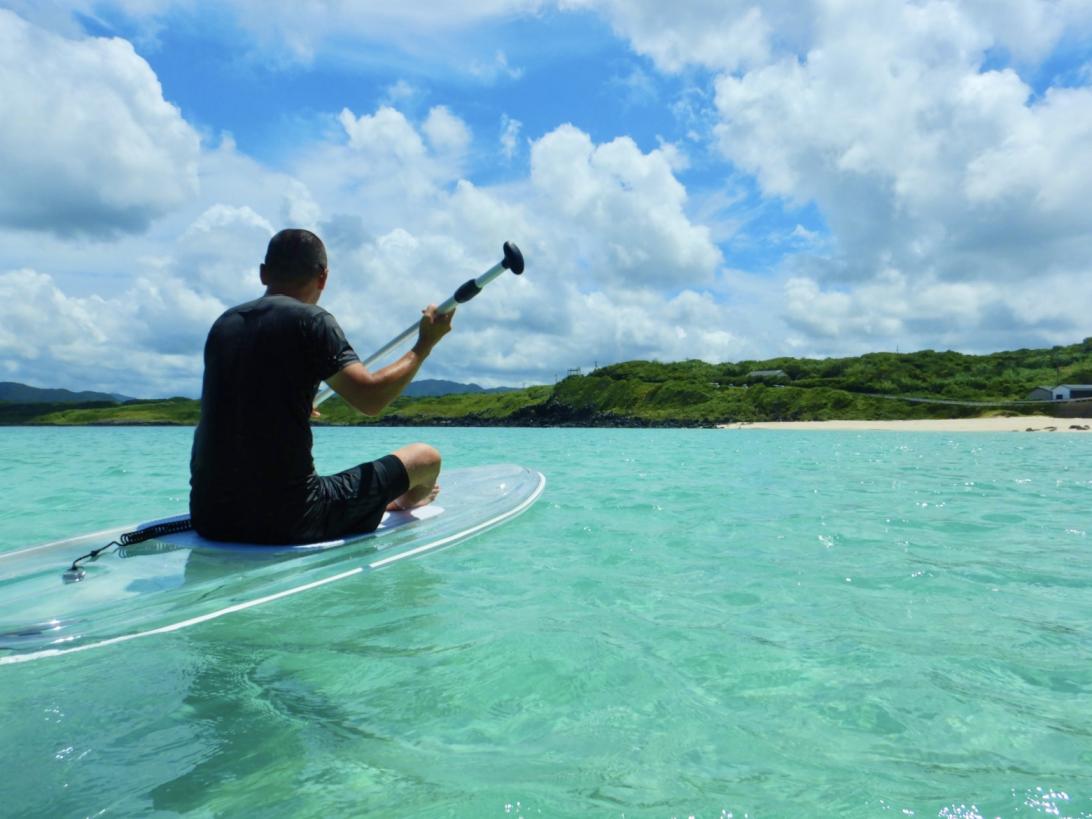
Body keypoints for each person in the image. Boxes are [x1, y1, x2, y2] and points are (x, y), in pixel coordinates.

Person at [189, 228, 453, 544]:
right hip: (292, 520)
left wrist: (296, 401)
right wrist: (425, 344)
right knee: (426, 458)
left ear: (263, 274)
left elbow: (242, 400)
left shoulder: (224, 325)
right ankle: (405, 501)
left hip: (209, 516)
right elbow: (370, 400)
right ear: (323, 277)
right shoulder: (312, 321)